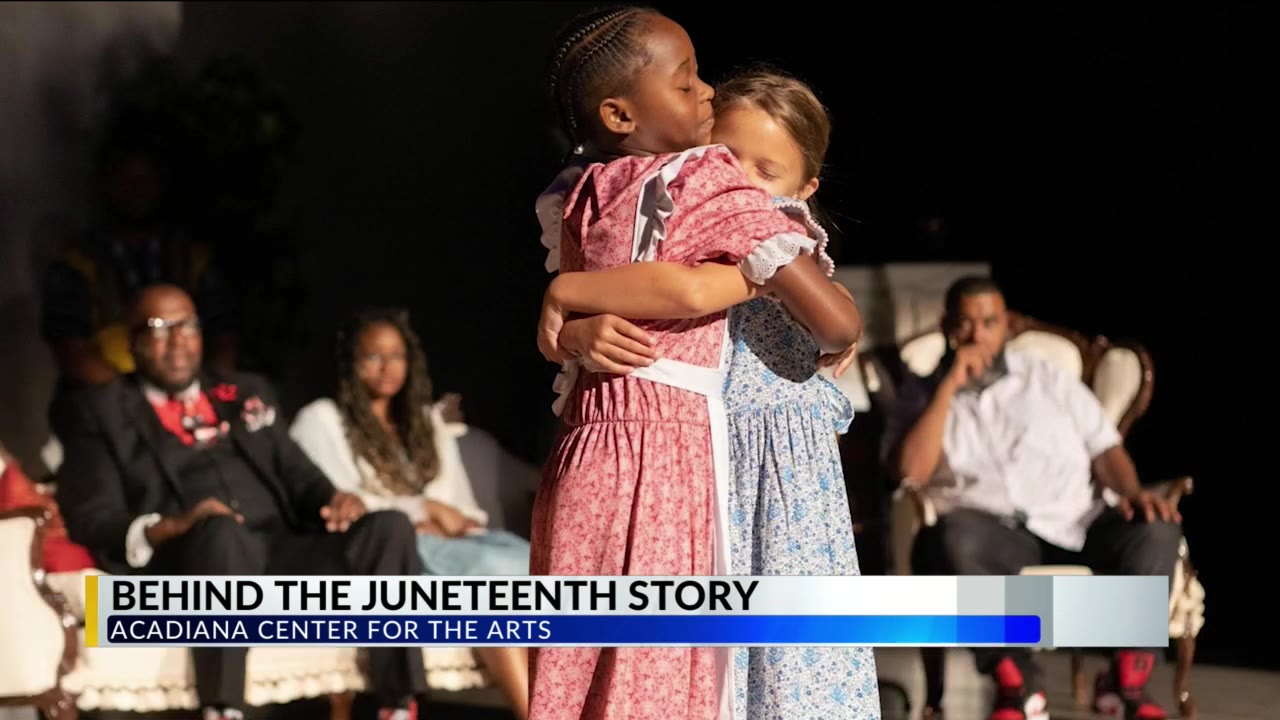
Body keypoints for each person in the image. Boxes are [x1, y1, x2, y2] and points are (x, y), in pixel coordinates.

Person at [531, 7, 862, 720]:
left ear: (805, 187)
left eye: (765, 171)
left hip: (757, 475)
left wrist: (567, 299)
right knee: (654, 667)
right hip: (679, 464)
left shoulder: (744, 218)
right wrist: (571, 316)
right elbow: (668, 293)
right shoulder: (668, 191)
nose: (740, 180)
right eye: (726, 156)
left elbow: (831, 318)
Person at [54, 285, 425, 720]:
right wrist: (171, 526)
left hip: (277, 550)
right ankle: (223, 709)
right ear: (131, 341)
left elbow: (298, 475)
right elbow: (91, 516)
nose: (178, 341)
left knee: (389, 527)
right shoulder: (100, 411)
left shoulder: (245, 390)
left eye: (188, 325)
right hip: (193, 560)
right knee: (221, 534)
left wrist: (335, 499)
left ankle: (397, 706)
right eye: (160, 328)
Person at [881, 276, 1182, 720]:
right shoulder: (920, 392)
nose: (977, 335)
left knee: (1156, 529)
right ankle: (1018, 685)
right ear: (947, 327)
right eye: (965, 324)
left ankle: (1127, 684)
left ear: (1005, 325)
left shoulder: (1049, 379)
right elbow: (909, 472)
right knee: (952, 537)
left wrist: (1134, 493)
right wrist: (948, 389)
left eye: (989, 323)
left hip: (1077, 518)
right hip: (992, 531)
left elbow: (1106, 448)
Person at [289, 307, 531, 720]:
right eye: (374, 356)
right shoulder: (322, 420)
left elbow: (459, 506)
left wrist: (442, 516)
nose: (388, 367)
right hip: (390, 553)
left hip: (452, 542)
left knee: (541, 568)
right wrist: (420, 509)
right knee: (492, 585)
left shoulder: (423, 422)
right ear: (350, 363)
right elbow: (337, 506)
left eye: (397, 355)